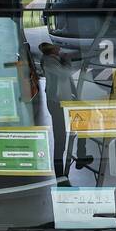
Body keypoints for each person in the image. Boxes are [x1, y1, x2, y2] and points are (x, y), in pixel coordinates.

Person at [39, 43, 78, 177]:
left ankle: (80, 156)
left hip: (64, 103)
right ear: (52, 51)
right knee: (60, 138)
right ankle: (60, 174)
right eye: (57, 48)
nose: (60, 49)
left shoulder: (54, 61)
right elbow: (65, 74)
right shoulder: (49, 62)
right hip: (57, 104)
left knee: (79, 126)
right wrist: (67, 60)